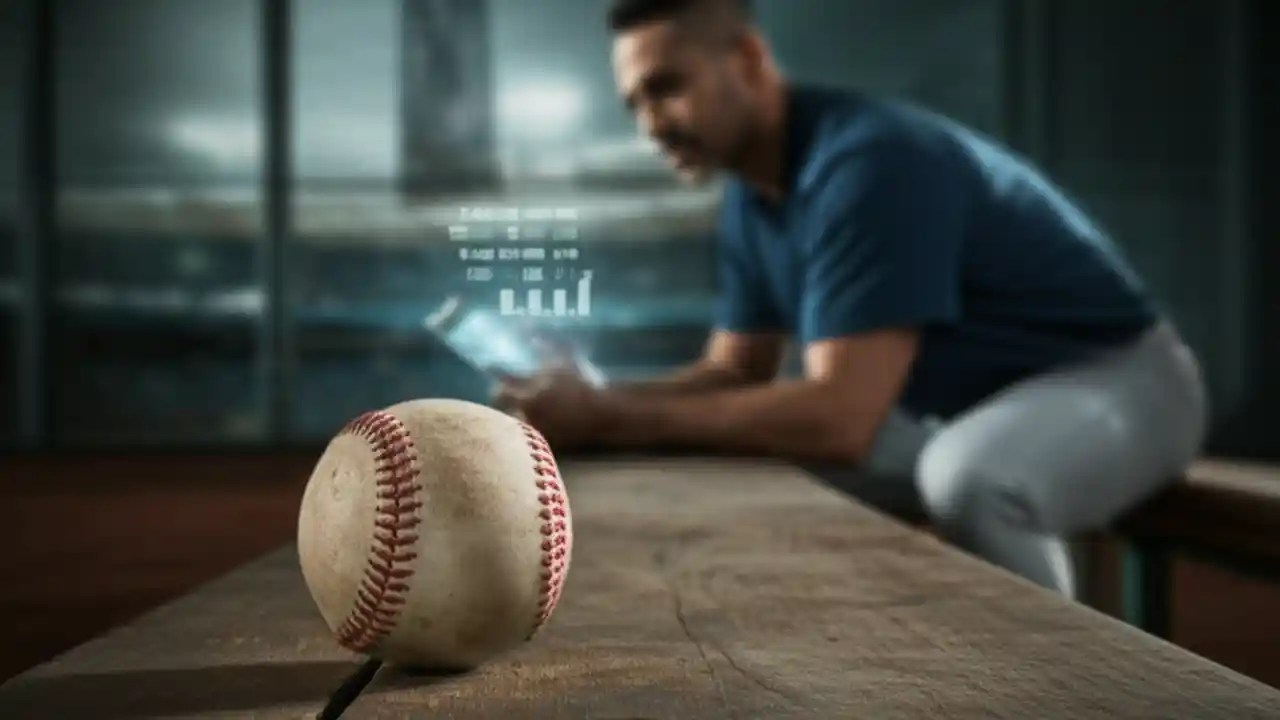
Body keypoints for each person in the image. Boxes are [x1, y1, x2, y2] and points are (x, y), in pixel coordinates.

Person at [494, 0, 1207, 599]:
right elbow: (734, 371)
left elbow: (841, 418)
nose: (650, 123)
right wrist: (589, 396)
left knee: (970, 478)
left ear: (746, 61)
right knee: (765, 465)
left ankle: (1069, 692)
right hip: (966, 410)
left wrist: (606, 418)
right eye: (635, 103)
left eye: (667, 87)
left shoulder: (869, 162)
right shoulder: (751, 194)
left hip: (1128, 382)